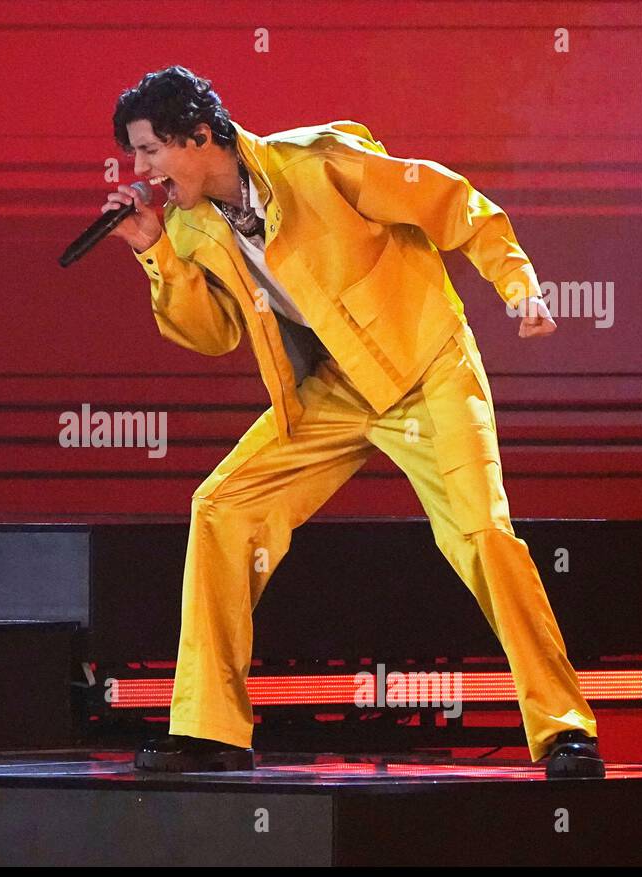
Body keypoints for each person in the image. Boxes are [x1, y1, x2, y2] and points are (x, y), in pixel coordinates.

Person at [101, 65, 604, 779]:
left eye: (150, 150)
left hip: (427, 367)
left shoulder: (318, 162)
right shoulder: (188, 225)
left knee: (482, 536)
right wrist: (153, 250)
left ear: (200, 135)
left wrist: (517, 283)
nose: (140, 170)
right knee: (222, 508)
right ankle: (211, 730)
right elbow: (212, 334)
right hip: (335, 390)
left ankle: (563, 728)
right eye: (135, 154)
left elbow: (453, 202)